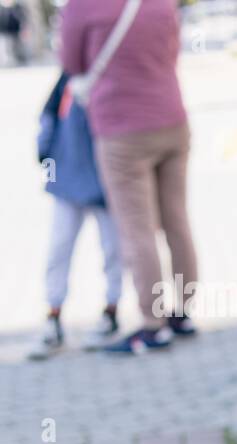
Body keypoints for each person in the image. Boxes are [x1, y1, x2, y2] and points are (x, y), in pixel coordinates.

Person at [61, 0, 198, 355]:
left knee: (137, 230)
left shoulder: (83, 6)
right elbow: (173, 49)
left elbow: (71, 63)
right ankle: (182, 313)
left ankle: (152, 326)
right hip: (172, 119)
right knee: (177, 222)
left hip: (121, 129)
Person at [28, 73, 123, 360]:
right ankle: (53, 315)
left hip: (104, 180)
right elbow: (48, 117)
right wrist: (46, 158)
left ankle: (111, 310)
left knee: (112, 249)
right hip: (67, 179)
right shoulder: (67, 77)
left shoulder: (110, 73)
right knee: (59, 247)